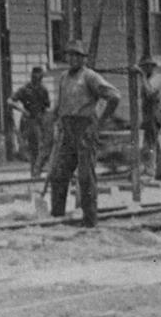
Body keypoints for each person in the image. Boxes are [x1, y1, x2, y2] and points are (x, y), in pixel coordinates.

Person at [46, 38, 119, 227]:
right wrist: (55, 119)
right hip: (67, 129)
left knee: (85, 176)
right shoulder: (63, 77)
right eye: (70, 55)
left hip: (85, 128)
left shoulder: (90, 76)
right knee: (59, 174)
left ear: (83, 59)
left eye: (77, 56)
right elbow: (61, 104)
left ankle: (90, 220)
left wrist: (100, 121)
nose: (72, 59)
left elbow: (114, 96)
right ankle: (57, 217)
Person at [9, 66, 53, 177]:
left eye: (40, 76)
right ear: (33, 76)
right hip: (29, 121)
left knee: (41, 146)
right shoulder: (25, 89)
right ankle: (35, 171)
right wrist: (22, 110)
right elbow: (10, 101)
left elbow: (47, 106)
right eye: (37, 76)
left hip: (40, 121)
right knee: (34, 146)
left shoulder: (43, 90)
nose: (39, 78)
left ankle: (36, 170)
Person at [138, 58, 161, 185]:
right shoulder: (147, 79)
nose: (145, 69)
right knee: (154, 143)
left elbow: (149, 93)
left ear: (152, 67)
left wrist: (142, 77)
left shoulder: (157, 79)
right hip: (148, 115)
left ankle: (149, 172)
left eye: (147, 67)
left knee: (150, 144)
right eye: (143, 67)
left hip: (154, 115)